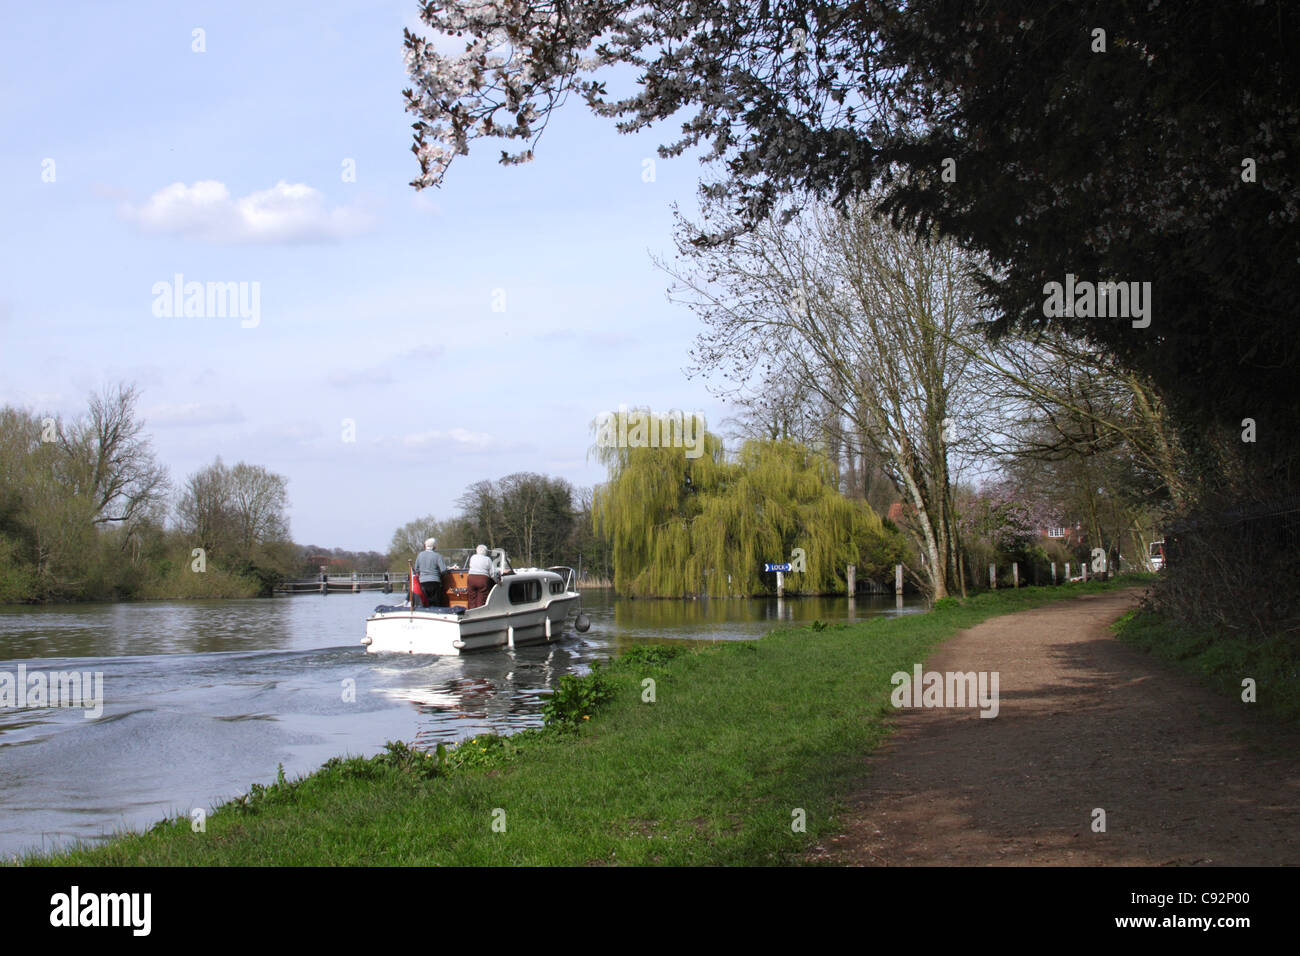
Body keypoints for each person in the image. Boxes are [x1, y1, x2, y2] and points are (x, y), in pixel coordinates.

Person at [413, 538, 446, 607]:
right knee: (436, 603)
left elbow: (416, 569)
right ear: (434, 547)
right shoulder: (437, 556)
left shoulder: (420, 555)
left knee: (425, 602)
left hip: (423, 582)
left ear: (425, 546)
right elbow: (443, 570)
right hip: (435, 582)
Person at [466, 544, 494, 609]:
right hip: (482, 579)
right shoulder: (488, 559)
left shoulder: (473, 557)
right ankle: (479, 613)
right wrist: (498, 581)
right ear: (486, 552)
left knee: (471, 598)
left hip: (471, 579)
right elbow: (492, 573)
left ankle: (471, 613)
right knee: (481, 598)